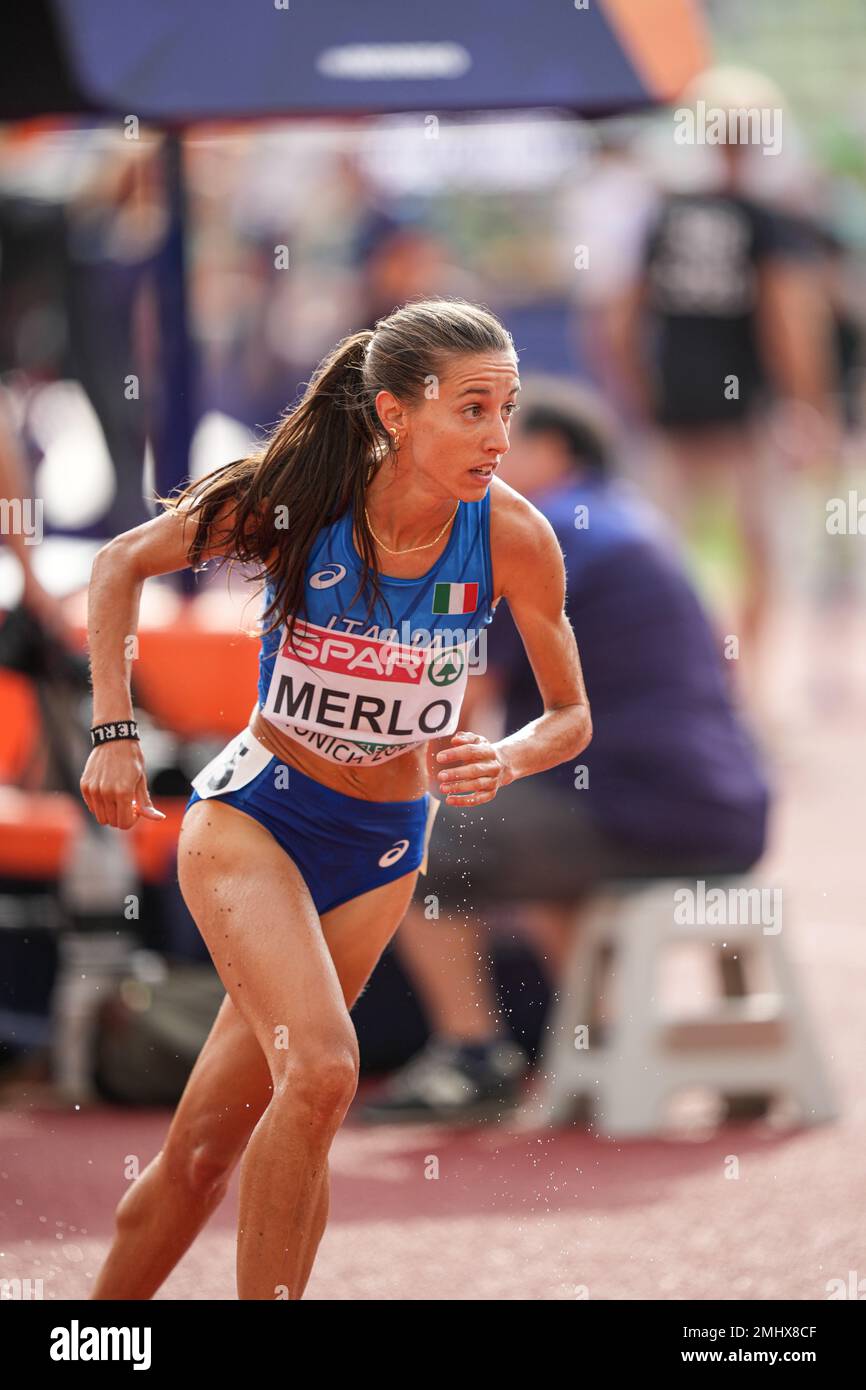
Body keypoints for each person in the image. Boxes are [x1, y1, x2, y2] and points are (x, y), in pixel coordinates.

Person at [78, 298, 592, 1300]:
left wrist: (510, 756)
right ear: (398, 414)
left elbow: (569, 716)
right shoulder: (301, 497)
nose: (499, 436)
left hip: (383, 844)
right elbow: (117, 563)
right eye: (472, 409)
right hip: (255, 817)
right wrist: (112, 730)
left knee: (201, 1155)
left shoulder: (515, 539)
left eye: (509, 409)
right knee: (321, 1073)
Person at [360, 376, 771, 1124]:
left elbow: (458, 692)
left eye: (497, 434)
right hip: (724, 807)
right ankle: (599, 1044)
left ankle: (472, 1054)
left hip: (640, 809)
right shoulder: (631, 525)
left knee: (410, 841)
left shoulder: (547, 531)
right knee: (531, 838)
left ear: (550, 450)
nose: (481, 454)